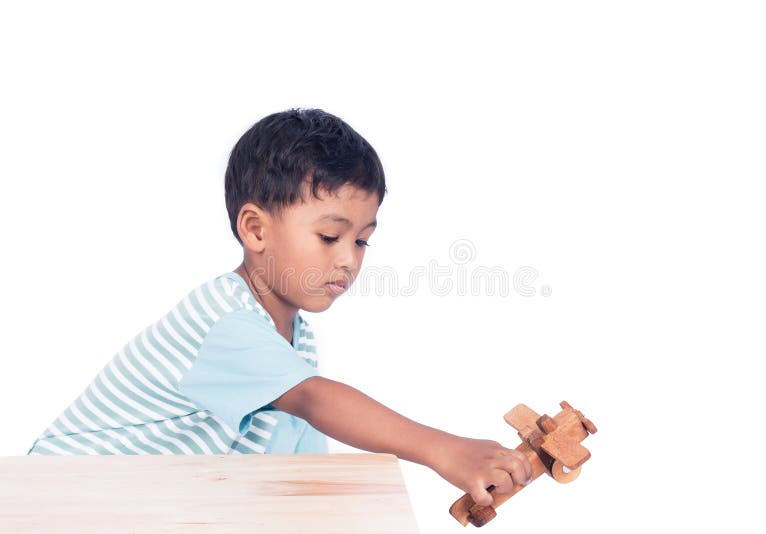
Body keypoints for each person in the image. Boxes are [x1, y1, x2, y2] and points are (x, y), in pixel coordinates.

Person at [27, 108, 532, 506]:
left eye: (362, 242)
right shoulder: (225, 320)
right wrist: (445, 450)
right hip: (59, 497)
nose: (347, 260)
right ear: (255, 229)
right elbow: (318, 401)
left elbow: (300, 469)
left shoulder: (291, 341)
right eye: (330, 236)